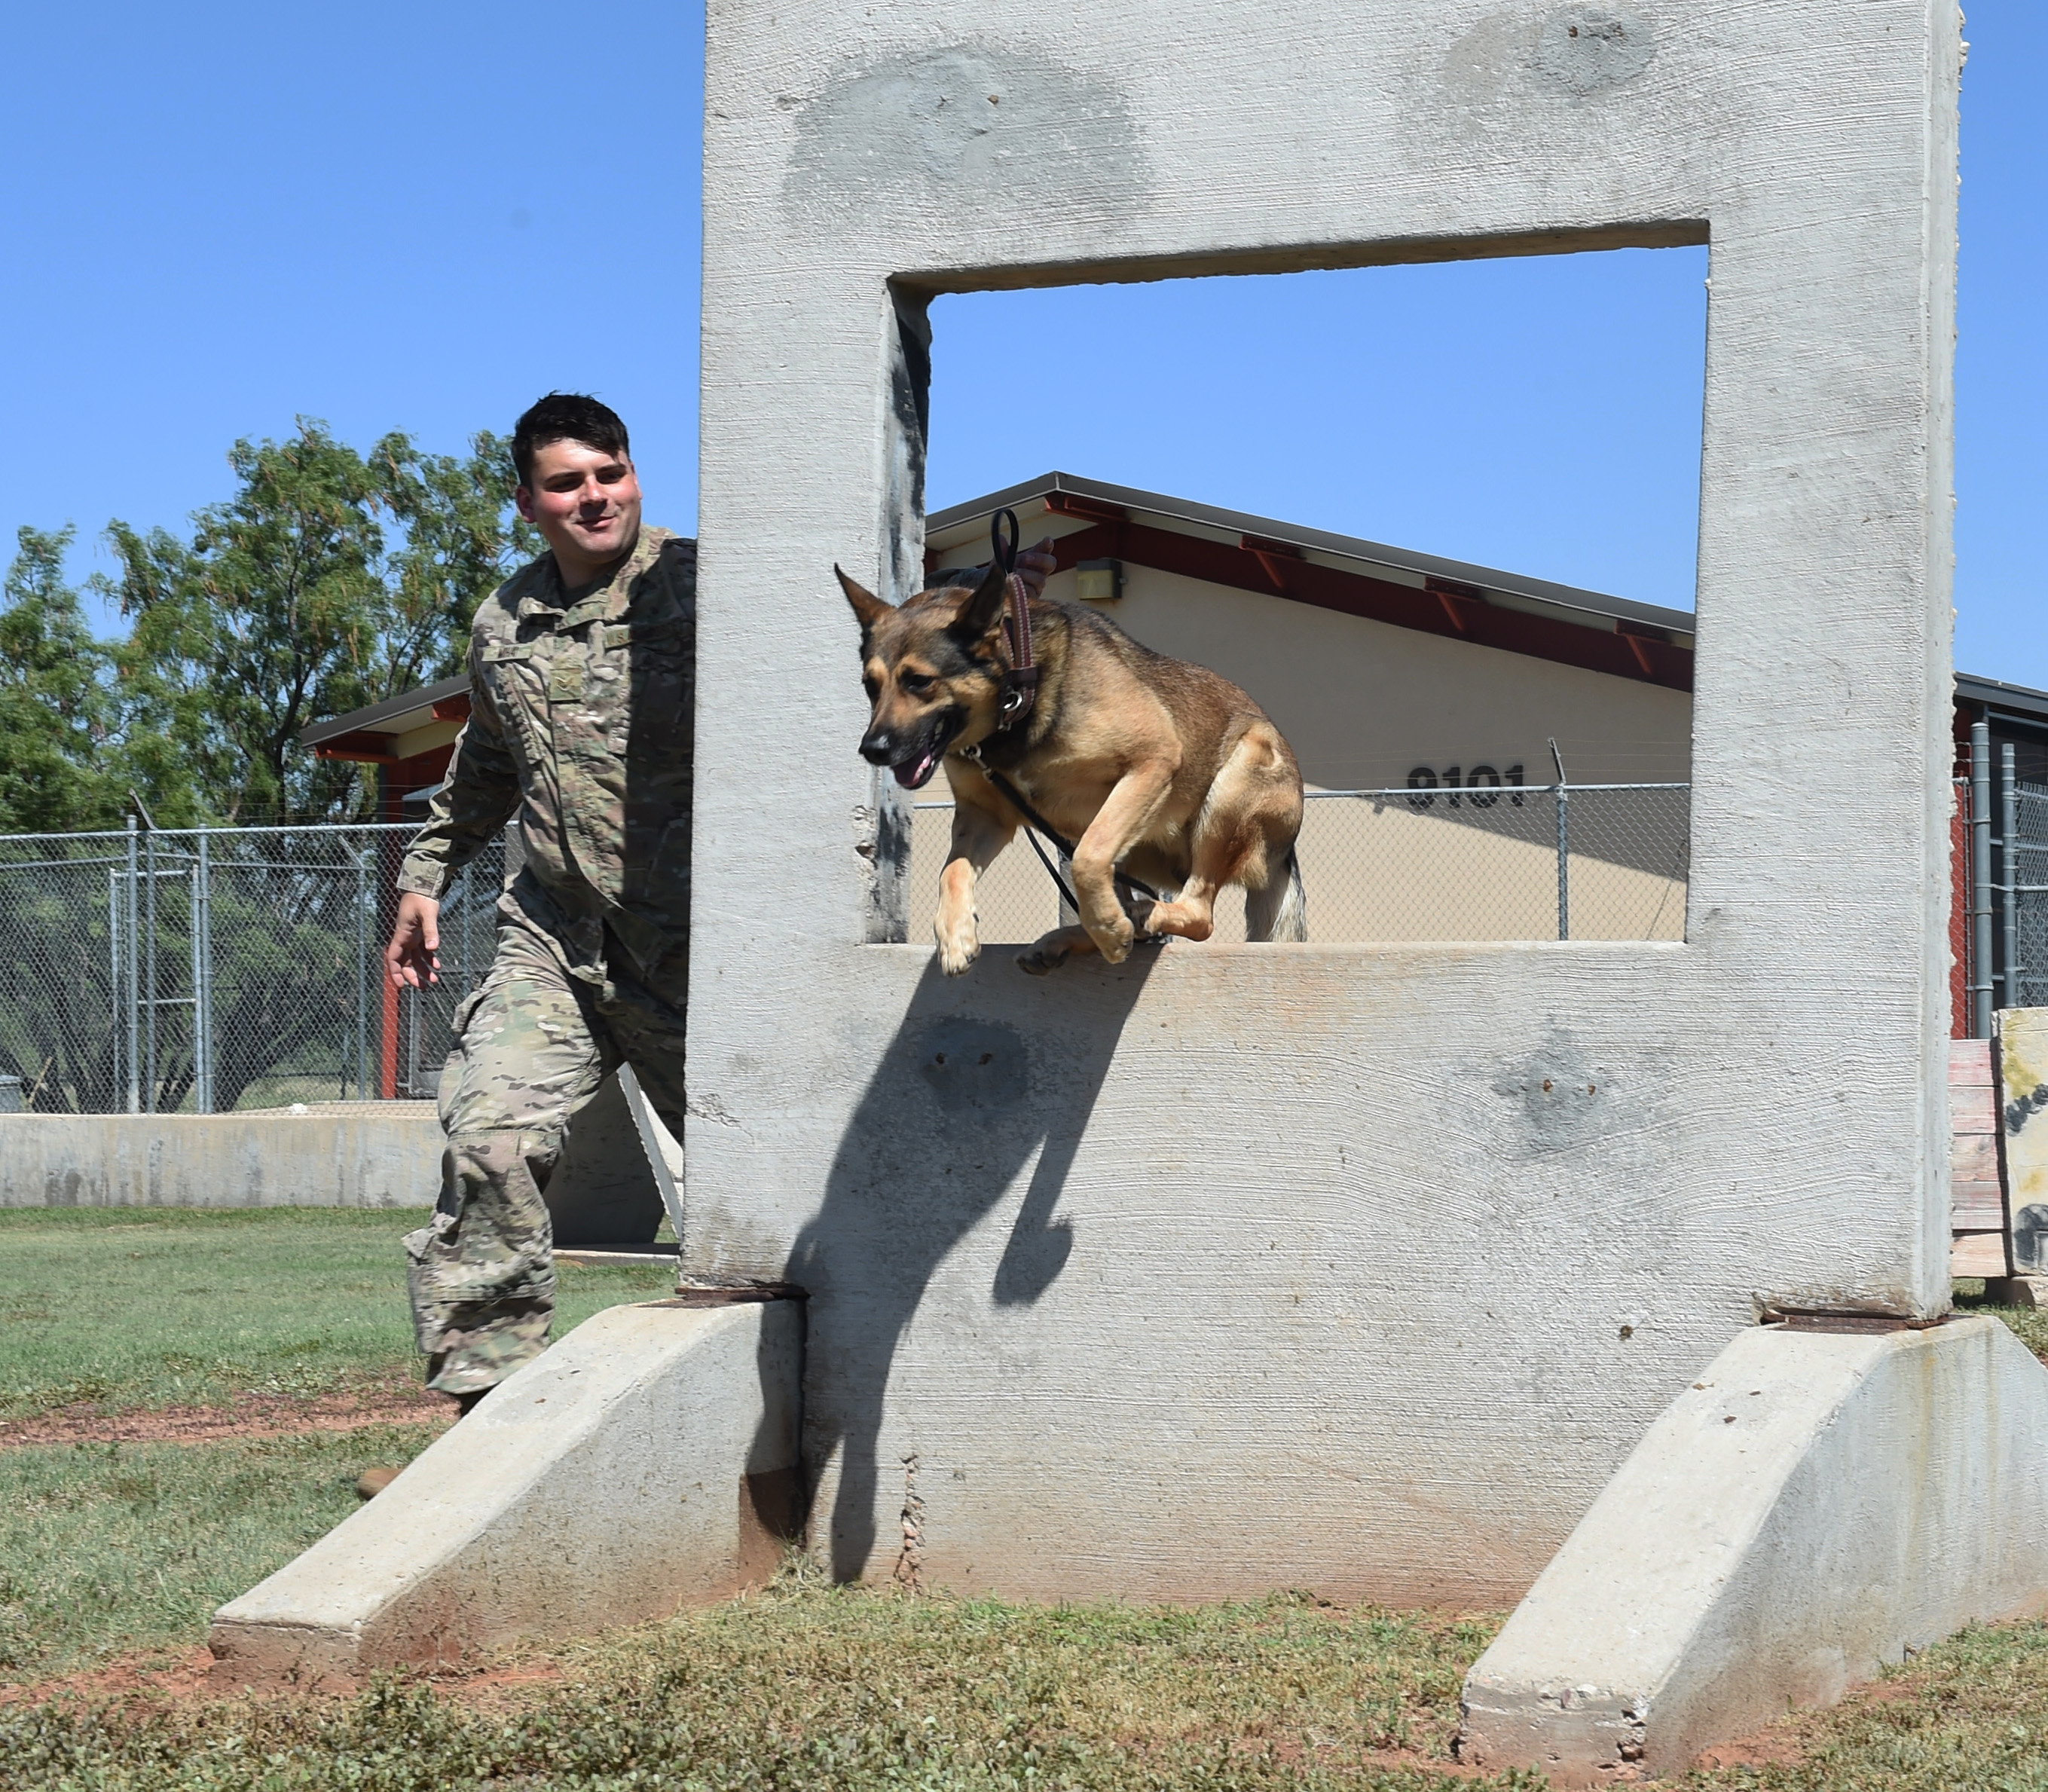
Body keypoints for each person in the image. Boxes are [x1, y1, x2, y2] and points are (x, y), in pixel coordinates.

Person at [386, 391, 1054, 1405]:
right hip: (558, 940)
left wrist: (986, 606)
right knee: (491, 1141)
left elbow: (878, 639)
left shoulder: (704, 584)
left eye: (611, 473)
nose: (594, 497)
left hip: (704, 954)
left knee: (789, 1191)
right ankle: (487, 1423)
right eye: (567, 482)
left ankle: (838, 1403)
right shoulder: (502, 623)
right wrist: (425, 877)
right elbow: (487, 760)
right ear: (527, 503)